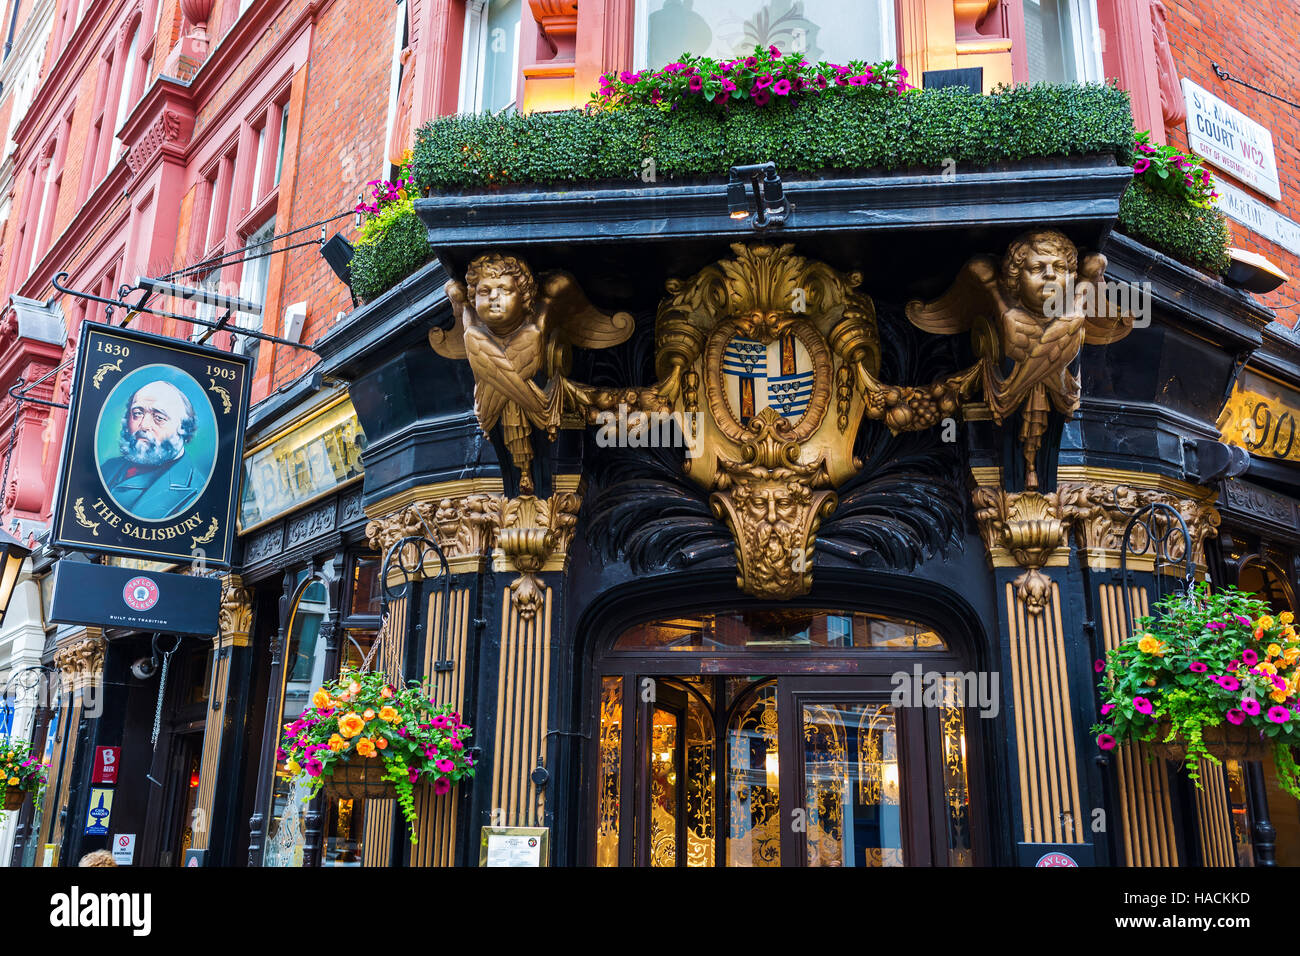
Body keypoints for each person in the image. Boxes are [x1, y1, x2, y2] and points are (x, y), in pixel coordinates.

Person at [100, 379, 205, 521]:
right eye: (137, 413)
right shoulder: (108, 468)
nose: (144, 425)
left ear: (184, 426)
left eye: (159, 417)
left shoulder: (196, 491)